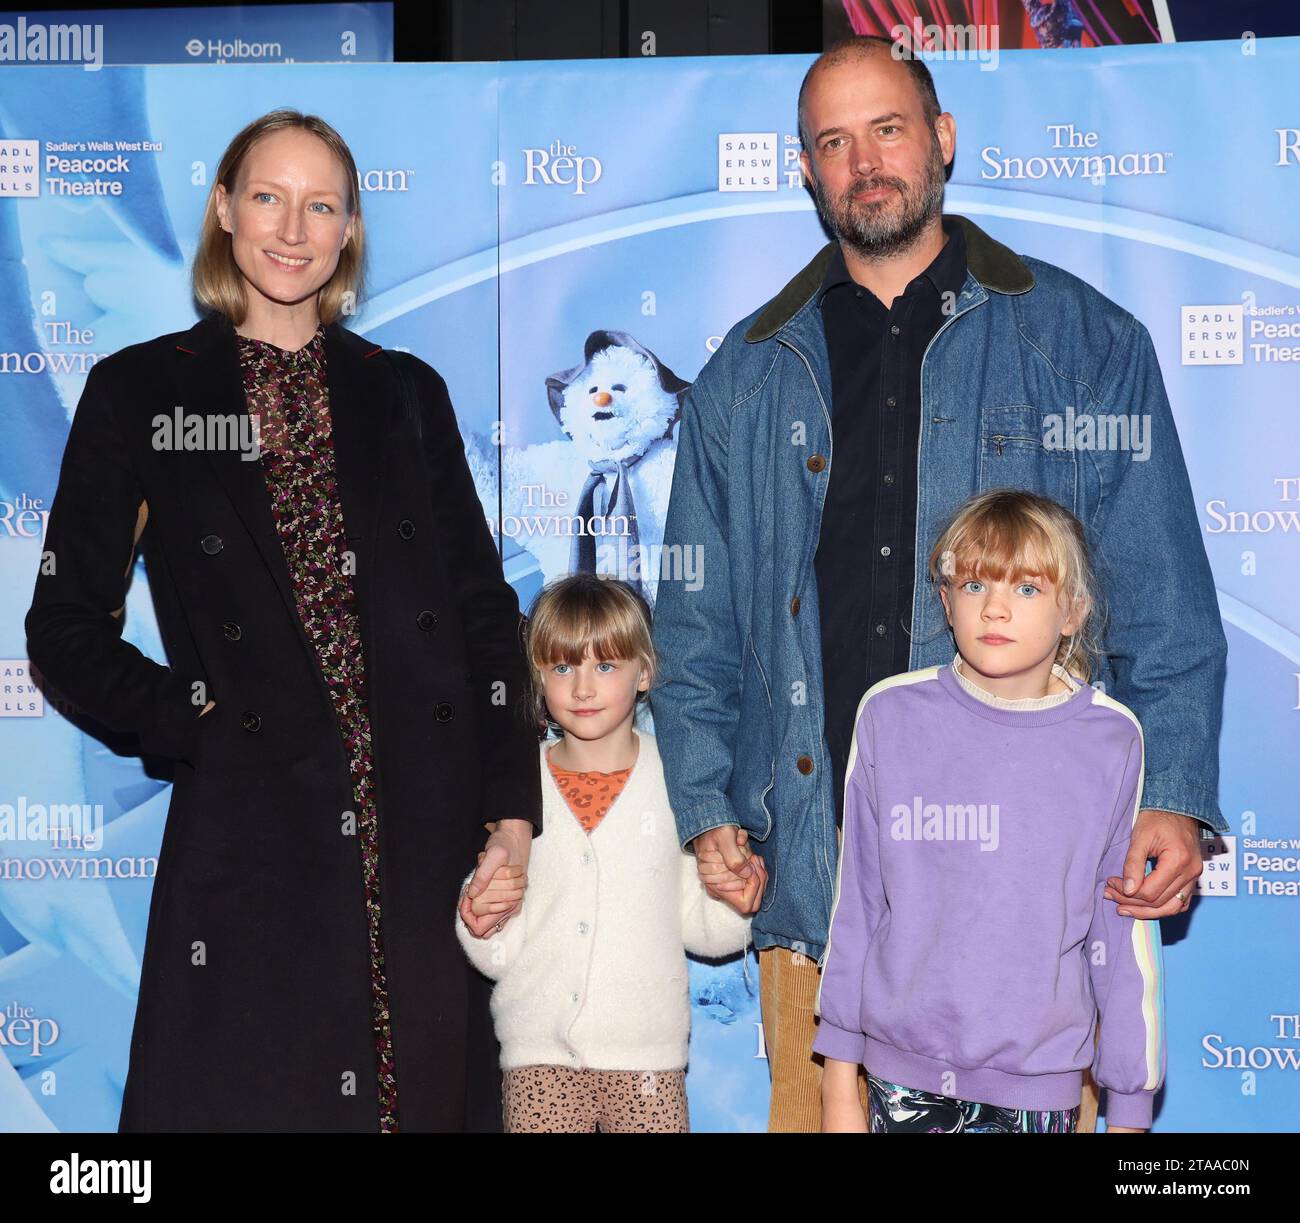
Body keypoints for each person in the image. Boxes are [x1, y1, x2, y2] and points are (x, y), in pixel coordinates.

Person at [651, 35, 1226, 1132]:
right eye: (832, 141)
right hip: (820, 896)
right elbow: (696, 621)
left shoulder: (1083, 342)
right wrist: (708, 800)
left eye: (887, 129)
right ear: (806, 171)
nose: (863, 161)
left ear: (942, 139)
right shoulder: (743, 375)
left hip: (1039, 909)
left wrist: (1176, 790)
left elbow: (1161, 595)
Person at [25, 109, 539, 1132]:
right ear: (223, 209)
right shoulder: (142, 393)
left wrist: (511, 810)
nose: (292, 229)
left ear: (349, 229)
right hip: (256, 830)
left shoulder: (403, 393)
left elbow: (483, 610)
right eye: (267, 196)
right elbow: (65, 626)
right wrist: (195, 720)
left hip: (421, 822)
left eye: (321, 205)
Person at [816, 488, 1164, 1133]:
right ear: (946, 601)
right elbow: (859, 904)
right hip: (899, 1081)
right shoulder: (890, 714)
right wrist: (840, 1082)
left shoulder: (1111, 739)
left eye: (1028, 589)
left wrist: (1129, 1109)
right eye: (975, 585)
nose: (996, 607)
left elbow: (1119, 937)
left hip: (1039, 1091)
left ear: (1073, 613)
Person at [455, 573, 761, 1132]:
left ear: (644, 672)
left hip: (648, 1061)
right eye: (563, 667)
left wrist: (734, 894)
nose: (582, 688)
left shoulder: (680, 780)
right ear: (538, 675)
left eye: (606, 665)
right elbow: (496, 953)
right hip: (536, 1058)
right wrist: (480, 911)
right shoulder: (517, 790)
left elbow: (709, 933)